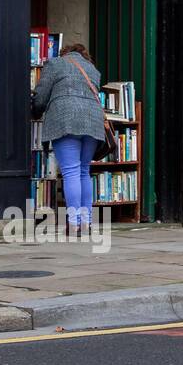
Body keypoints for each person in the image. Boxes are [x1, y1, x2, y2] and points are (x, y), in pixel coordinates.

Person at [31, 43, 106, 232]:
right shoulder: (93, 70)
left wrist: (35, 112)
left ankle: (73, 224)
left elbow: (40, 96)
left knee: (71, 172)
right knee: (83, 171)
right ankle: (86, 222)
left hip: (66, 119)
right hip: (93, 122)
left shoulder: (55, 63)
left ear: (65, 53)